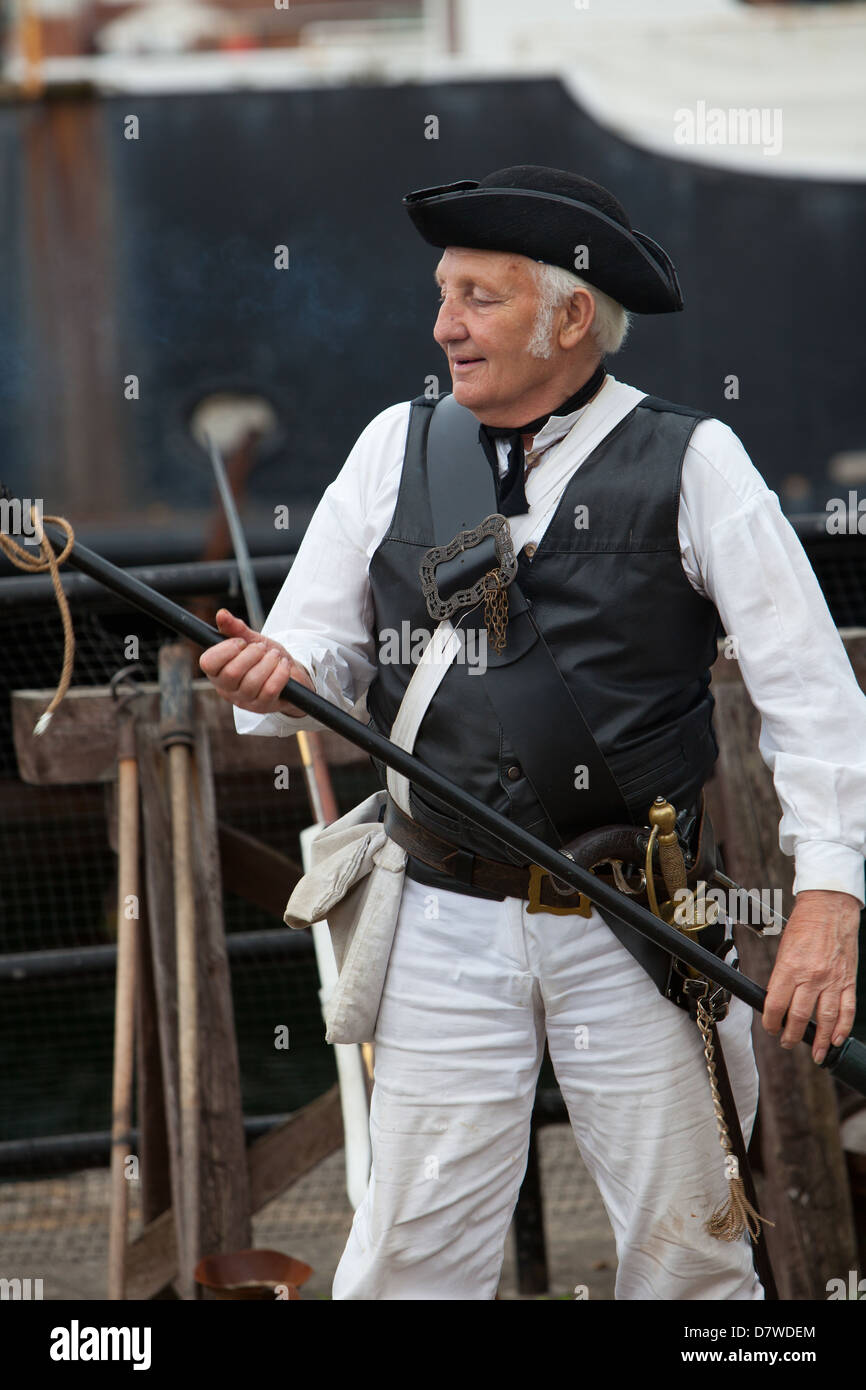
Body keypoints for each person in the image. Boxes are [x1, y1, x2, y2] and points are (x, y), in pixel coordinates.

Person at [199, 166, 864, 1300]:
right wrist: (272, 673)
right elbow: (303, 664)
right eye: (443, 292)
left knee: (691, 1256)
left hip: (637, 927)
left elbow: (812, 697)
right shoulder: (389, 449)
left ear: (568, 316)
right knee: (409, 1260)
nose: (441, 325)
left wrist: (826, 903)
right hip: (439, 920)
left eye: (477, 297)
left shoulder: (696, 463)